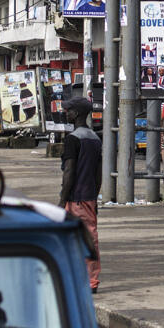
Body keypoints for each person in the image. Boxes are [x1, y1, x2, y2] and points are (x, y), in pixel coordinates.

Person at [59, 96, 103, 290]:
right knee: (88, 237)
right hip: (90, 197)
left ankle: (88, 281)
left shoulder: (72, 139)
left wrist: (62, 200)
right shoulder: (95, 138)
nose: (65, 113)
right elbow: (98, 173)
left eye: (68, 110)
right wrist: (95, 197)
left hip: (76, 198)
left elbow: (69, 171)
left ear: (75, 114)